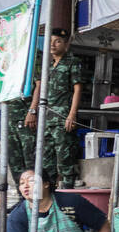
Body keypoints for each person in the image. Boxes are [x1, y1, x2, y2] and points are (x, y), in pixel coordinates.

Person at [9, 27, 85, 187]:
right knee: (46, 162)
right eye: (50, 41)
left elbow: (78, 89)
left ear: (66, 44)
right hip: (48, 119)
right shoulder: (48, 66)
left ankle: (67, 195)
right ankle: (50, 197)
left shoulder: (72, 62)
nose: (53, 45)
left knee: (65, 161)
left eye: (57, 41)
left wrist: (72, 114)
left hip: (63, 118)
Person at [4, 167, 110, 232]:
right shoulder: (18, 215)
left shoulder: (70, 201)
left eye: (31, 181)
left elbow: (101, 223)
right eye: (22, 183)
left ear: (46, 184)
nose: (25, 186)